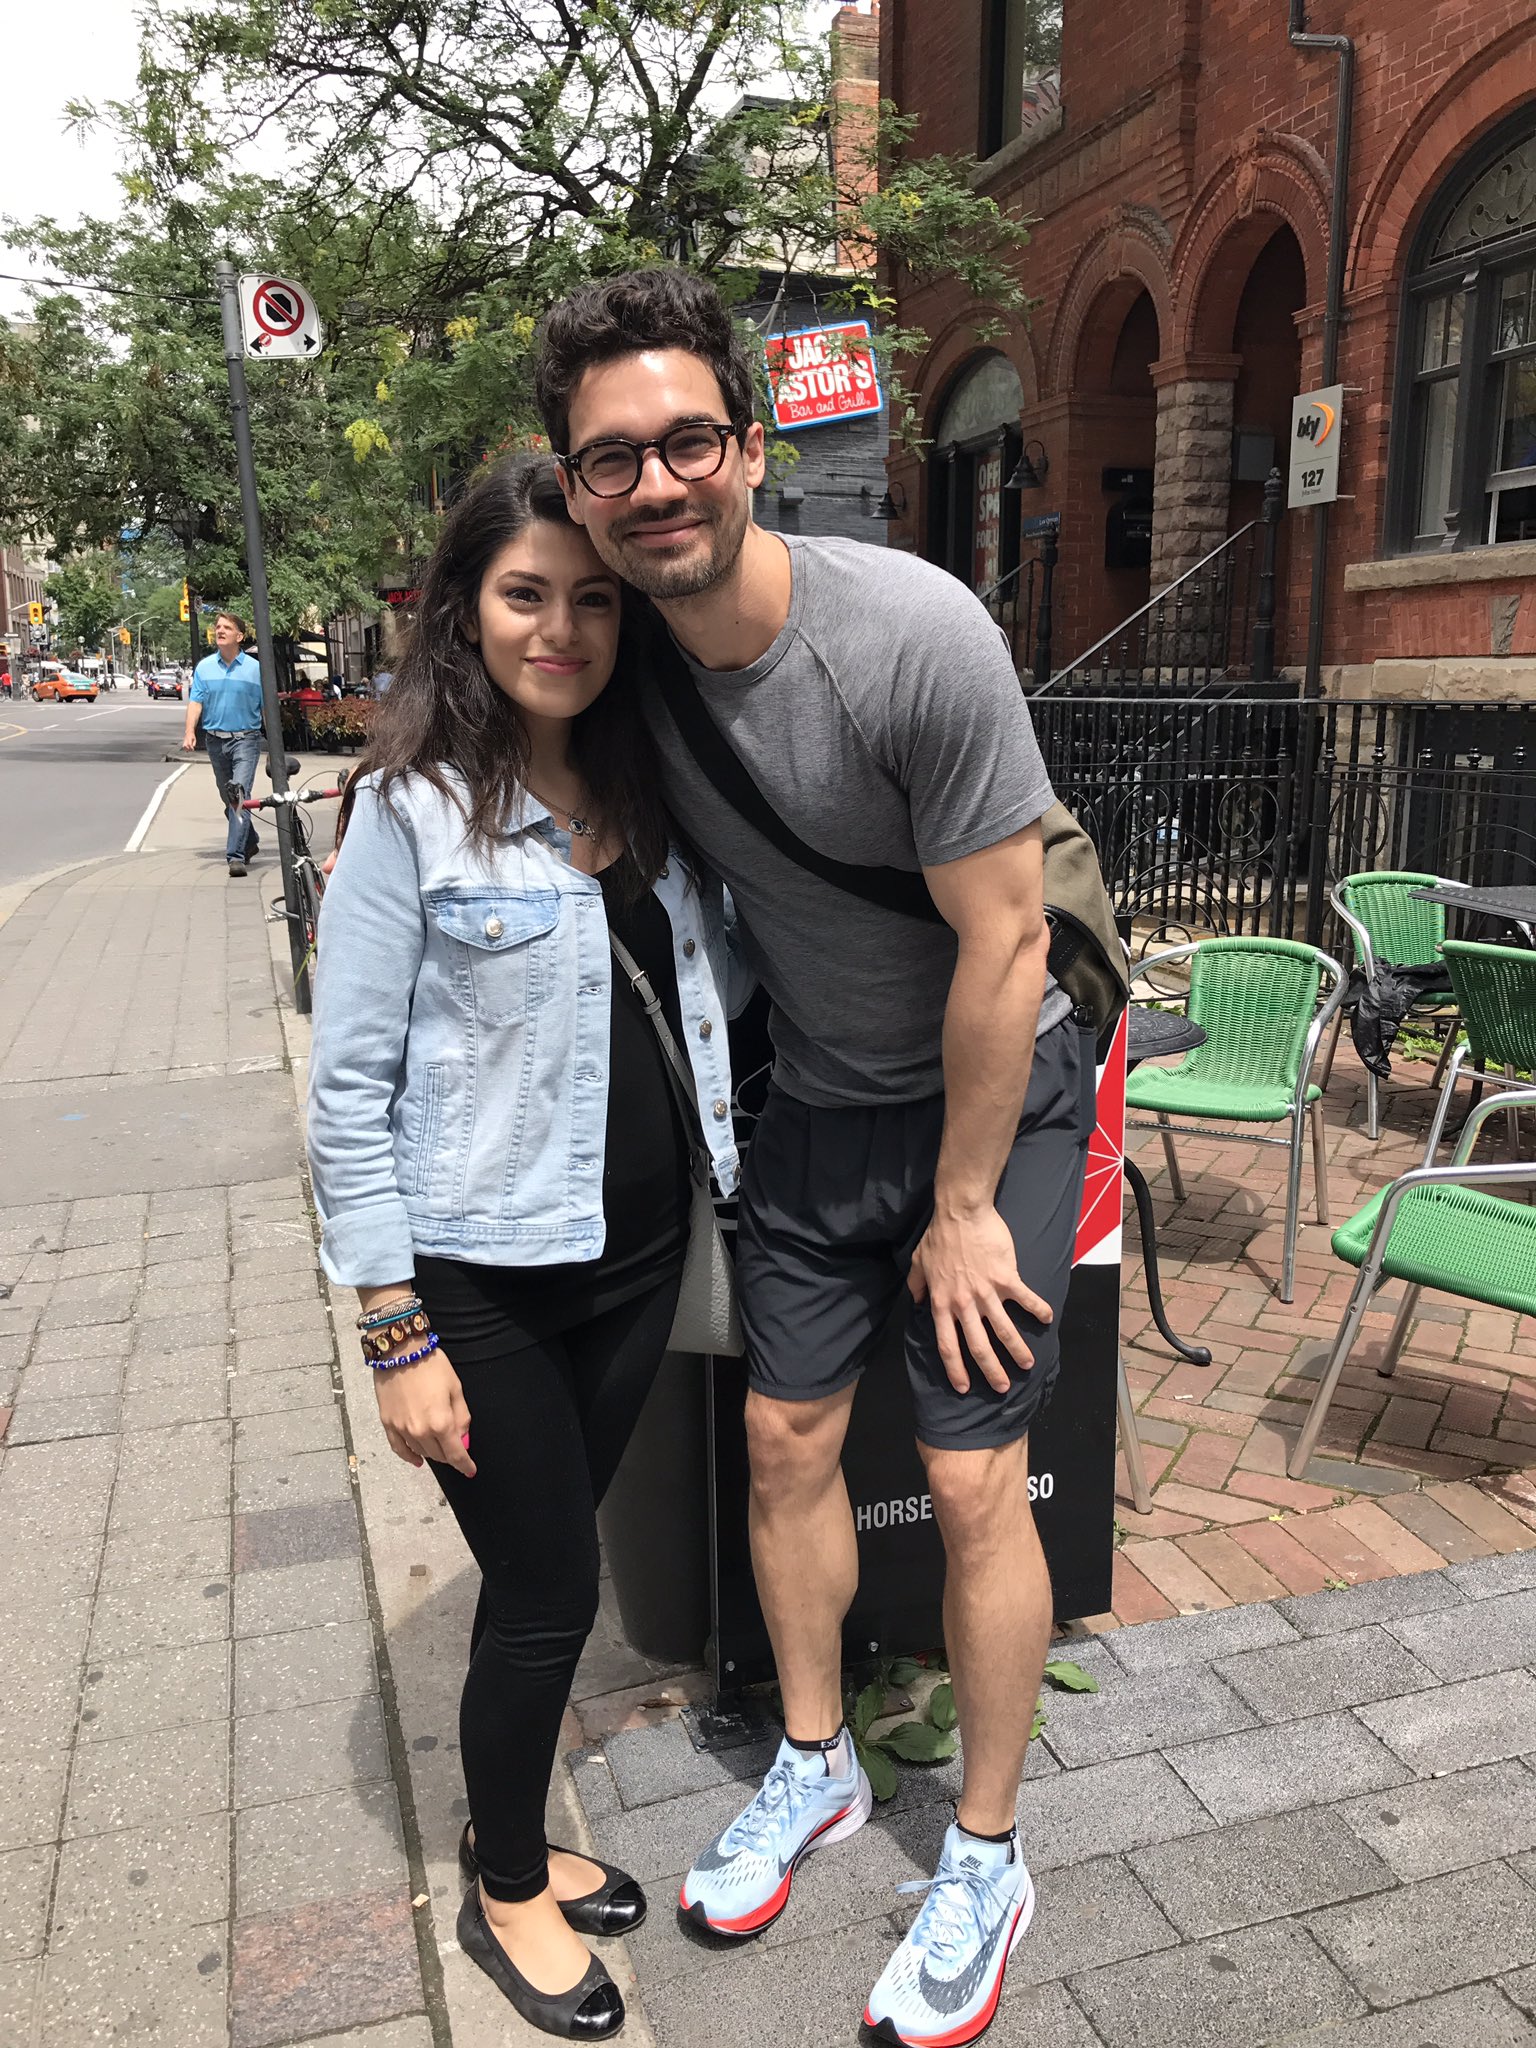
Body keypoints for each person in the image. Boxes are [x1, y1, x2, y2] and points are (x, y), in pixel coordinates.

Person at [537, 269, 1096, 2048]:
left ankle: (988, 1856)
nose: (656, 483)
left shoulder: (911, 635)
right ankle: (814, 1759)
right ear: (578, 488)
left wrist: (961, 1206)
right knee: (781, 1443)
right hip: (818, 1108)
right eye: (611, 459)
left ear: (755, 446)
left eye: (687, 439)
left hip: (992, 1102)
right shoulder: (628, 669)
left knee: (973, 1475)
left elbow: (1007, 940)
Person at [306, 454, 741, 2044]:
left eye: (594, 600)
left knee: (546, 1581)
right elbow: (346, 1090)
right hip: (478, 1283)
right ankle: (505, 1889)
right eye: (525, 594)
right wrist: (394, 1333)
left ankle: (519, 1838)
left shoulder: (648, 792)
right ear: (465, 610)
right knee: (553, 1586)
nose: (561, 628)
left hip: (632, 1264)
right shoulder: (409, 812)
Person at [182, 612, 264, 876]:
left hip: (246, 740)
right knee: (228, 797)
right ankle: (249, 840)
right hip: (215, 741)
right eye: (218, 626)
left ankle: (235, 856)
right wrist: (189, 732)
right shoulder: (205, 667)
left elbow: (267, 708)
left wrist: (275, 745)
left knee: (238, 795)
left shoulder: (256, 669)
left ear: (239, 636)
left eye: (227, 627)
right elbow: (196, 702)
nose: (220, 630)